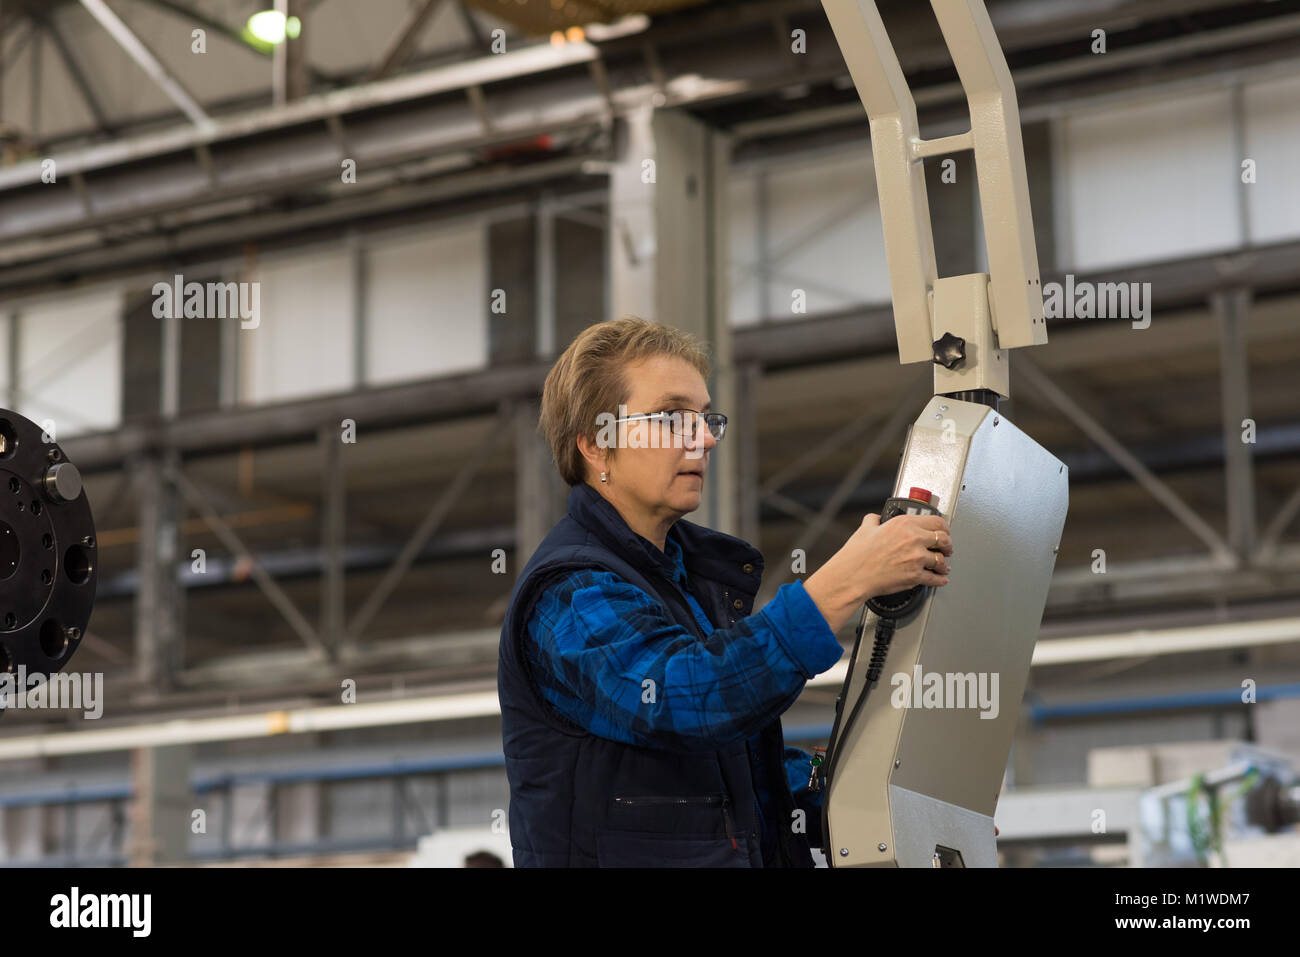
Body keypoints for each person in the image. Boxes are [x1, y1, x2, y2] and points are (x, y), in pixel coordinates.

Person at [497, 316, 952, 867]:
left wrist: (864, 793)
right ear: (597, 445)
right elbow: (684, 696)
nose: (706, 437)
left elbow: (732, 762)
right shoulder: (568, 593)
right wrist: (847, 580)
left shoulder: (684, 584)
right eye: (671, 416)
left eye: (706, 417)